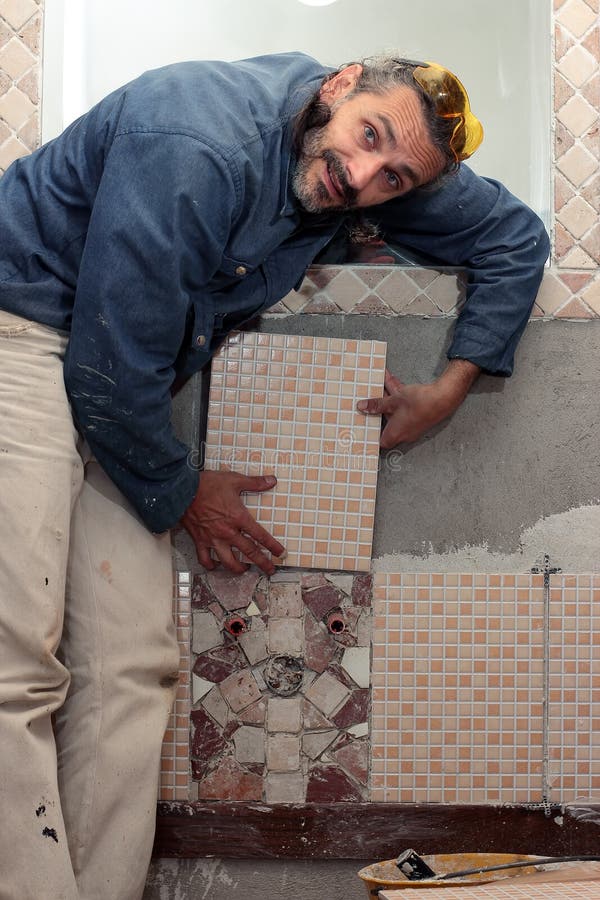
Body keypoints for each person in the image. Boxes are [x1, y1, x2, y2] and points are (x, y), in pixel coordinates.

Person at [0, 51, 549, 899]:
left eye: (393, 176)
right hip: (20, 340)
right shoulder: (196, 138)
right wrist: (184, 493)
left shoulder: (375, 163)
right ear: (340, 85)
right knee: (16, 668)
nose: (361, 176)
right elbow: (111, 370)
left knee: (132, 666)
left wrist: (450, 385)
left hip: (116, 385)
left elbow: (514, 238)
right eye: (367, 138)